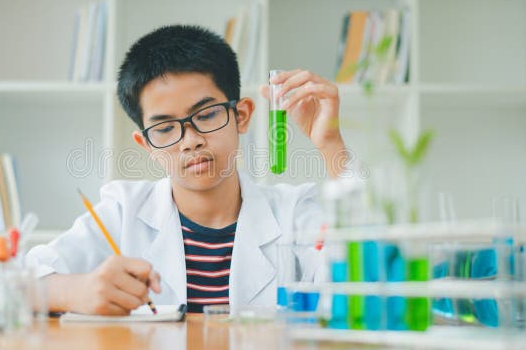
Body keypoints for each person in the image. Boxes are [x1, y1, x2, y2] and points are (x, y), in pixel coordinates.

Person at [26, 24, 351, 315]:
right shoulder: (124, 212)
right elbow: (22, 282)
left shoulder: (292, 212)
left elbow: (365, 279)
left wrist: (332, 144)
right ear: (147, 145)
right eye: (165, 128)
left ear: (241, 116)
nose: (190, 141)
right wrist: (76, 291)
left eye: (206, 115)